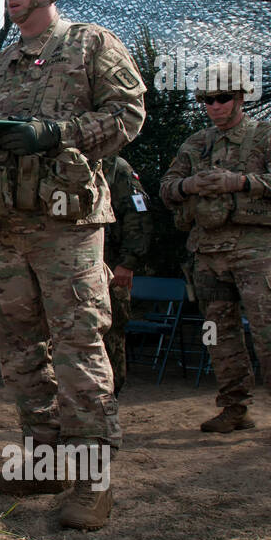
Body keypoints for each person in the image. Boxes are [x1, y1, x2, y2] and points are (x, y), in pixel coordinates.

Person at [0, 0, 145, 530]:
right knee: (19, 351)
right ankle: (41, 461)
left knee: (80, 347)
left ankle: (91, 482)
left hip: (67, 227)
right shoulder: (2, 63)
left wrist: (55, 134)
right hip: (6, 229)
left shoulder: (91, 44)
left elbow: (128, 115)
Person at [159, 61, 271, 444]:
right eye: (207, 100)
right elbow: (166, 188)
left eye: (222, 98)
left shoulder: (268, 137)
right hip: (208, 253)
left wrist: (242, 182)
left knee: (268, 330)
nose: (215, 106)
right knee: (218, 333)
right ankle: (234, 408)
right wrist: (189, 185)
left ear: (241, 97)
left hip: (255, 250)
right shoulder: (195, 144)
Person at [102, 154, 154, 395]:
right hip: (65, 266)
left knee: (110, 331)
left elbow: (138, 214)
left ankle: (109, 399)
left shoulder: (115, 167)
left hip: (110, 267)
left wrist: (128, 262)